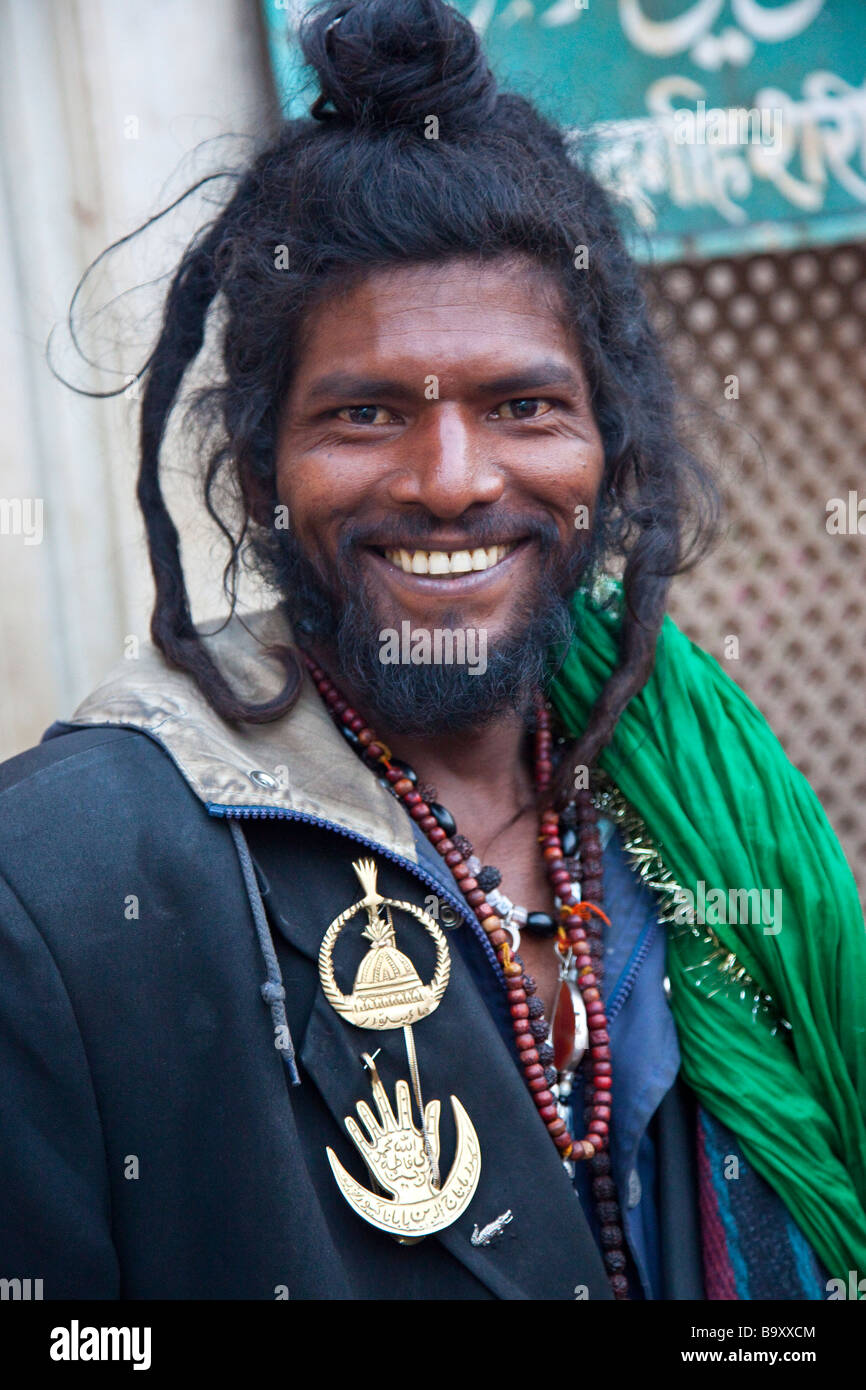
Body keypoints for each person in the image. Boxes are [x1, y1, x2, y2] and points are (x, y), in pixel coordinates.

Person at [1, 0, 864, 1302]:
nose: (452, 480)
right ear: (259, 469)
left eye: (522, 404)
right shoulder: (55, 887)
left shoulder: (691, 797)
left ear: (605, 453)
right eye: (362, 412)